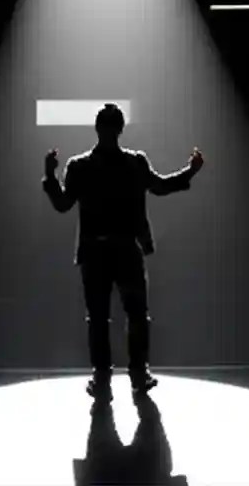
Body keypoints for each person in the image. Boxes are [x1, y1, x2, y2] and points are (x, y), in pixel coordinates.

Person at [43, 103, 204, 399]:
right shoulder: (133, 163)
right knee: (134, 315)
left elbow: (63, 204)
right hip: (125, 250)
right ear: (120, 129)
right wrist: (190, 172)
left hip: (96, 253)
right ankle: (136, 374)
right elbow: (160, 186)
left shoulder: (80, 166)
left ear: (99, 128)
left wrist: (51, 177)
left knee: (101, 318)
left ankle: (105, 377)